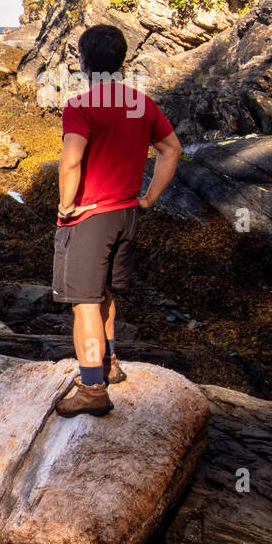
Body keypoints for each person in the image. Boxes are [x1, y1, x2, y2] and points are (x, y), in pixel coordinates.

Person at [51, 24, 183, 417]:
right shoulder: (141, 104)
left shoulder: (81, 105)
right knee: (106, 296)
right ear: (121, 61)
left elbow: (71, 160)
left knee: (85, 305)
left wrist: (65, 206)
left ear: (85, 63)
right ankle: (109, 364)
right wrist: (149, 197)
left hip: (91, 217)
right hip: (127, 214)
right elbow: (171, 149)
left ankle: (92, 389)